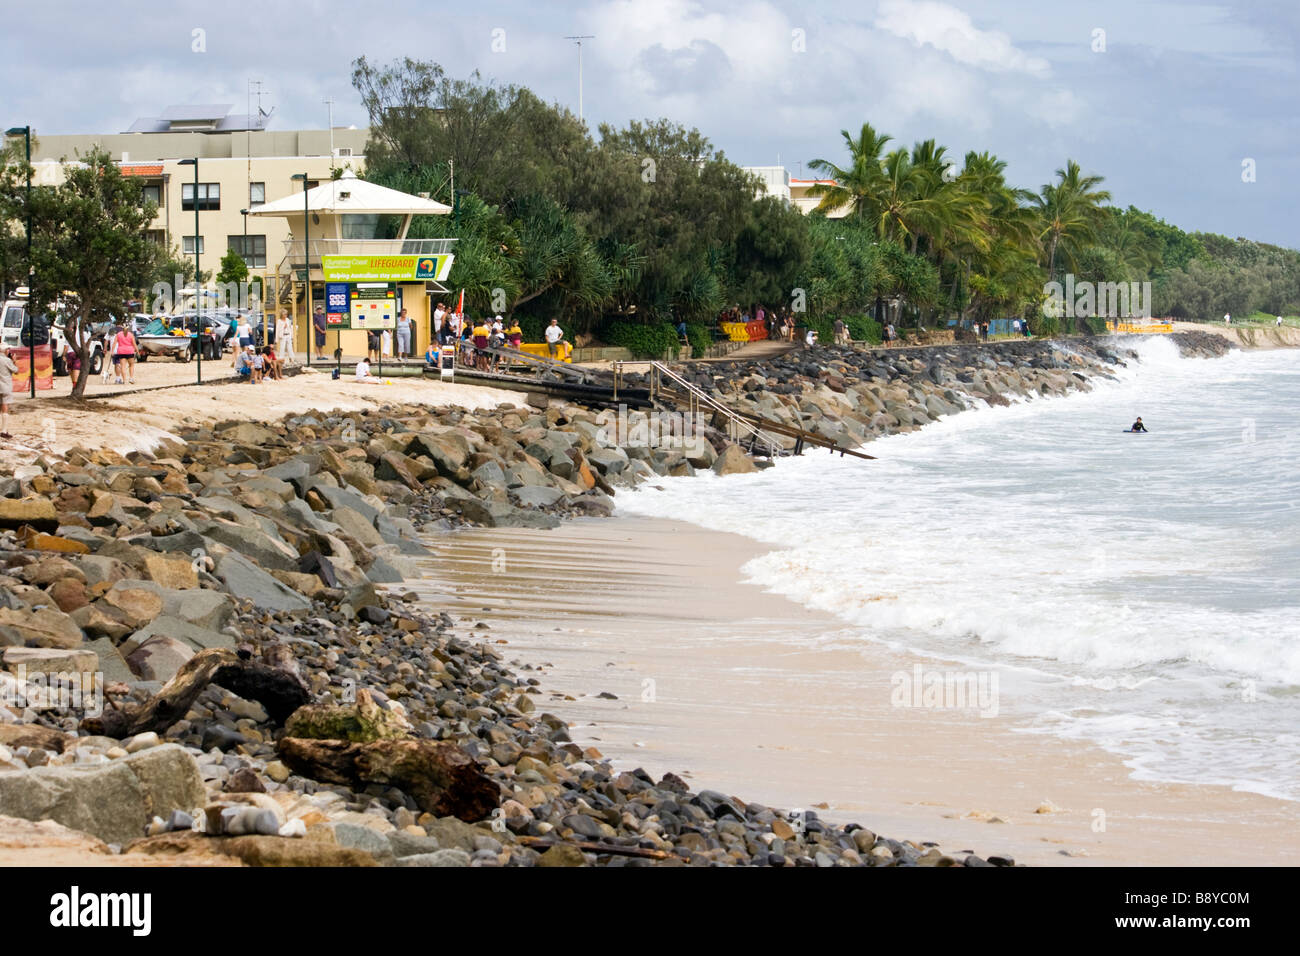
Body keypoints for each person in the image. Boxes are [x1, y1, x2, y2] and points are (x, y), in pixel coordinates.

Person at [0, 349, 16, 438]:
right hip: (5, 386)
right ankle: (4, 430)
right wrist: (13, 361)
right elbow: (16, 370)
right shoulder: (7, 360)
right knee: (5, 406)